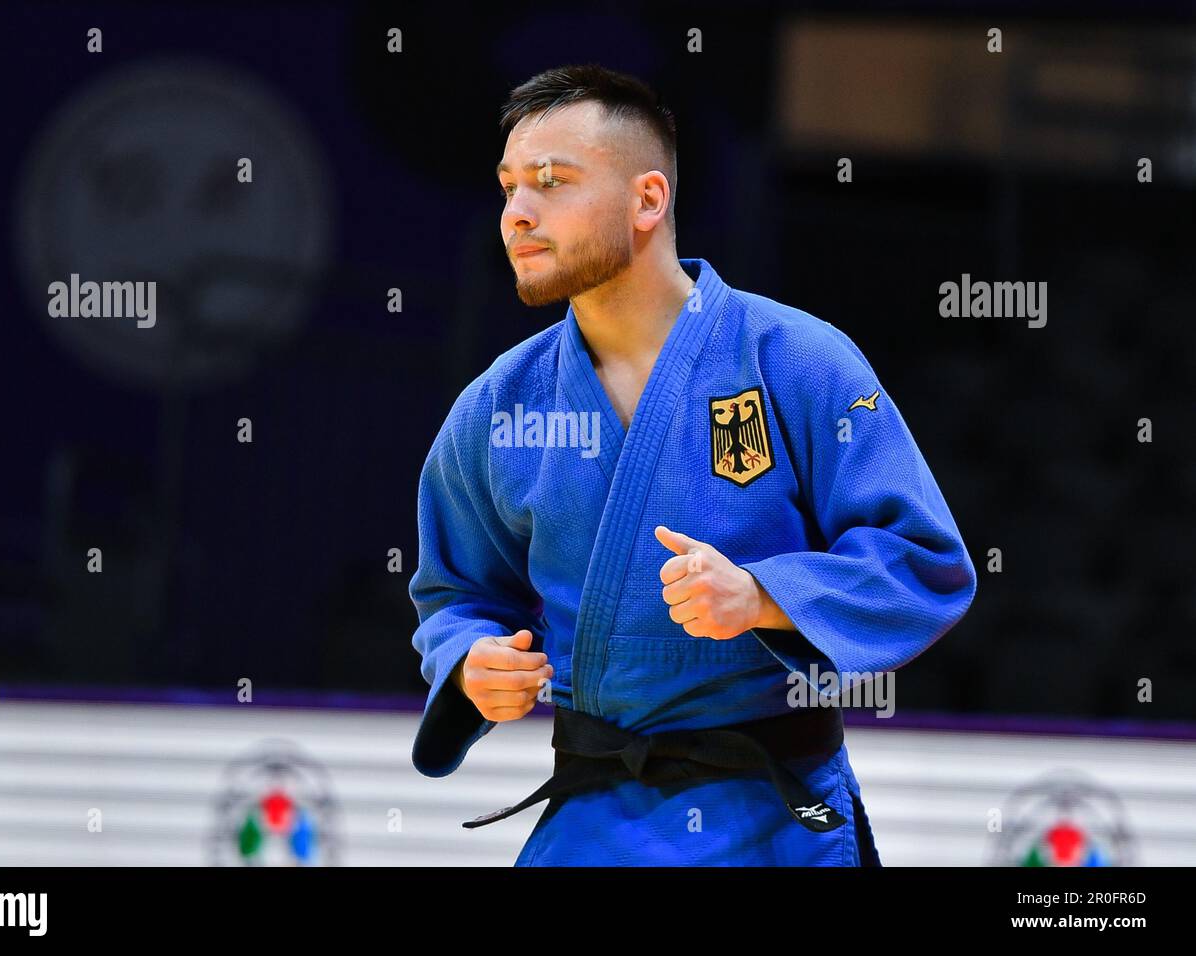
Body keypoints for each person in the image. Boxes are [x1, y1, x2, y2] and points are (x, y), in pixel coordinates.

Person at [408, 63, 977, 865]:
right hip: (592, 818)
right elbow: (455, 592)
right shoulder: (498, 407)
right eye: (507, 189)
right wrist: (468, 660)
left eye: (550, 182)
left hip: (773, 816)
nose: (517, 215)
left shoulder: (797, 360)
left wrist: (765, 594)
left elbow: (923, 561)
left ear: (648, 199)